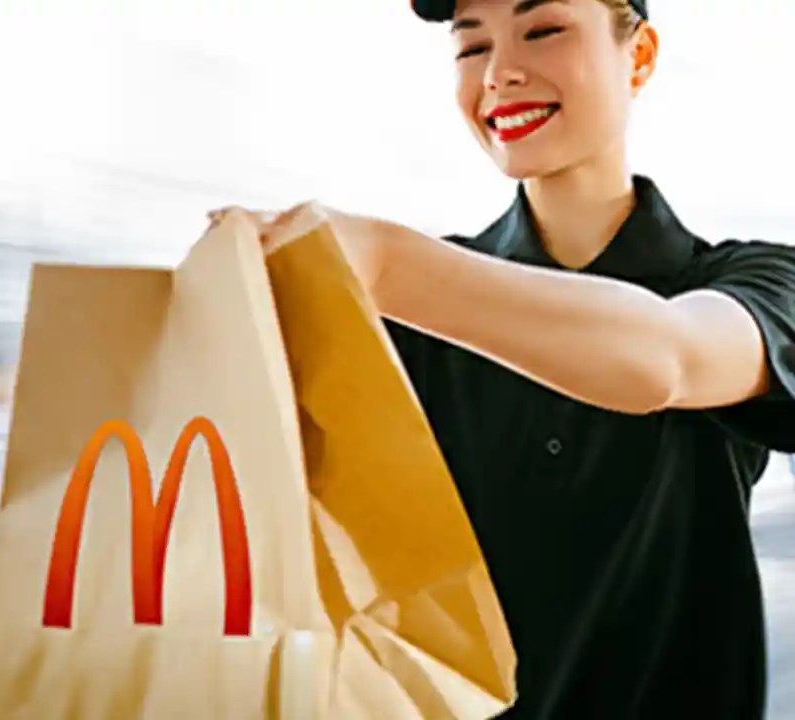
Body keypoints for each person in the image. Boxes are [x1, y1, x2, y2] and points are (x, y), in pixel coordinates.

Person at [211, 0, 795, 717]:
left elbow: (664, 361)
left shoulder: (762, 286)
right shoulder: (404, 318)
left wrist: (385, 265)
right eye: (471, 46)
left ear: (638, 56)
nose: (500, 73)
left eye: (542, 30)